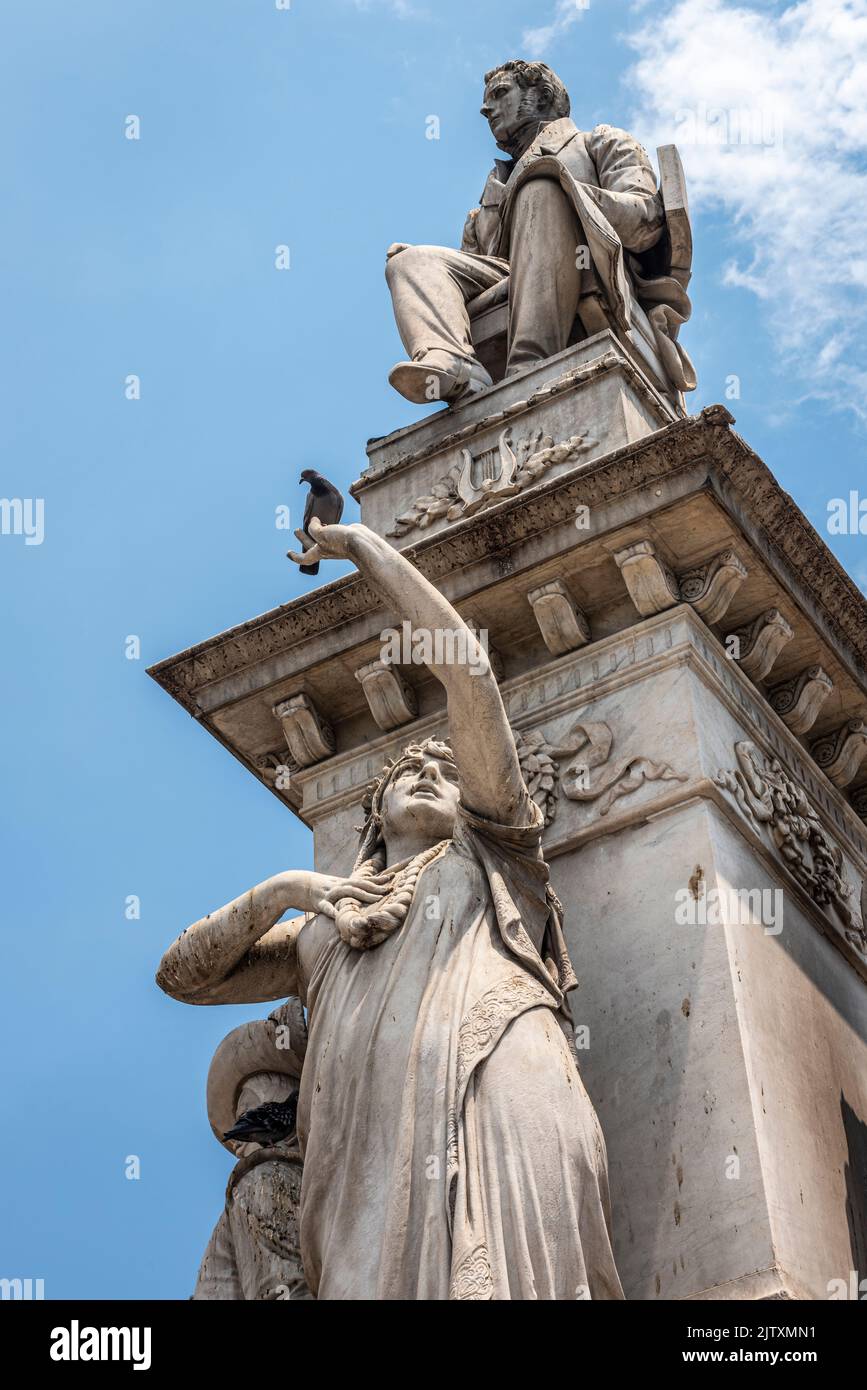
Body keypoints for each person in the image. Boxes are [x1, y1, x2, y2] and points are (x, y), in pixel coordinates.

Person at [157, 518, 624, 1301]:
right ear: (373, 814)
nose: (427, 768)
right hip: (361, 1138)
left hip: (492, 1076)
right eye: (407, 768)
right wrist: (287, 891)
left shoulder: (494, 852)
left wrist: (366, 550)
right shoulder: (319, 933)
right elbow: (183, 978)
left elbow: (468, 676)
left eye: (445, 766)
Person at [385, 58, 694, 405]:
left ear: (543, 95)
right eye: (487, 102)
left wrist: (568, 190)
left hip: (589, 262)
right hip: (511, 276)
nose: (487, 109)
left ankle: (529, 368)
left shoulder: (600, 142)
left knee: (541, 185)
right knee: (410, 261)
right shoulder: (487, 199)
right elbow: (474, 280)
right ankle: (454, 362)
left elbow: (645, 223)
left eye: (501, 93)